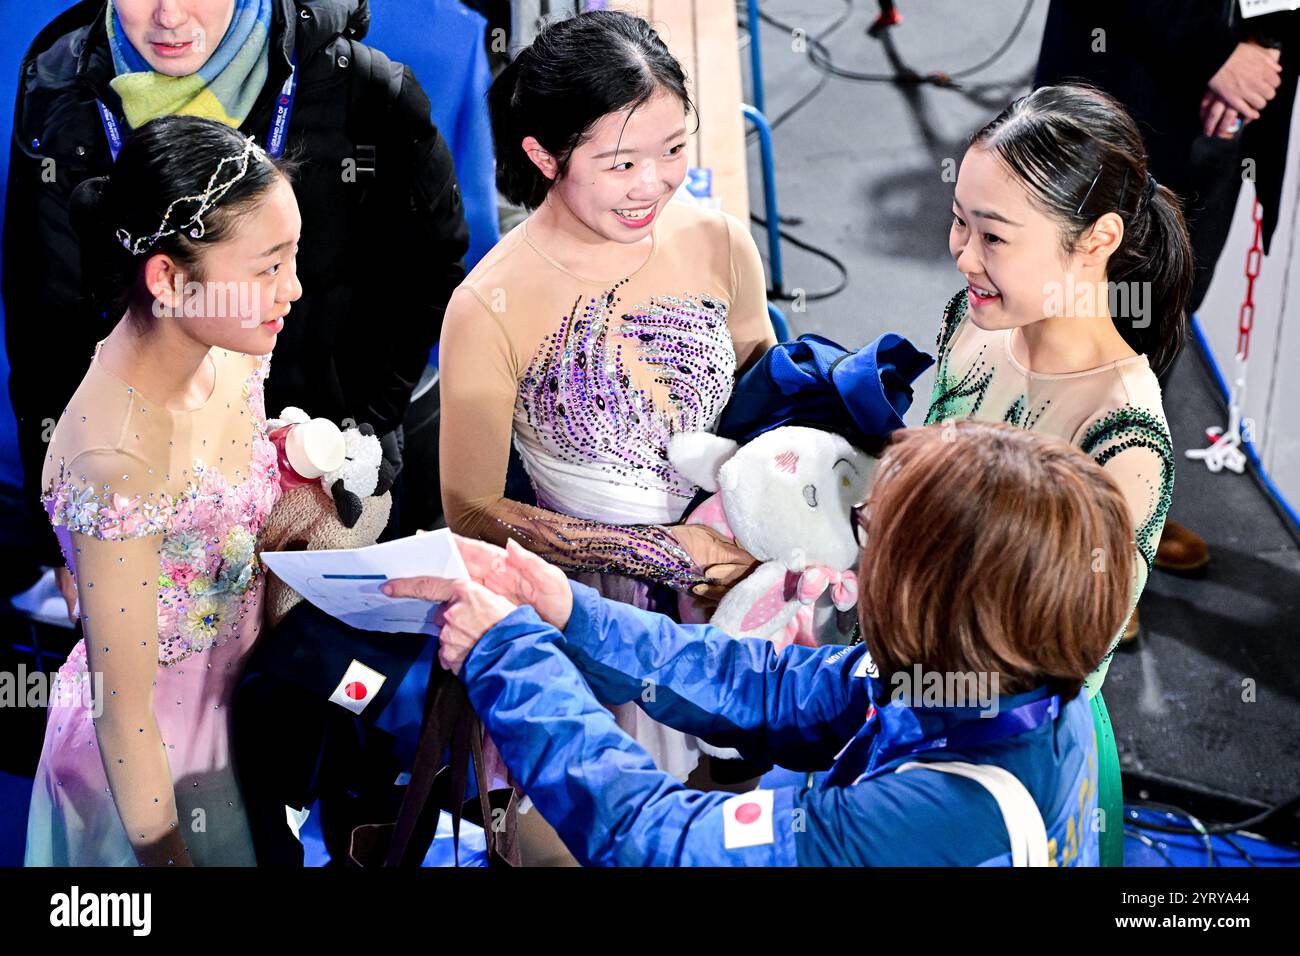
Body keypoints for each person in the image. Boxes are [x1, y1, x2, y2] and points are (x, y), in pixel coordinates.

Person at [383, 421, 1134, 866]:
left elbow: (656, 843)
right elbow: (767, 686)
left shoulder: (928, 816)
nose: (859, 555)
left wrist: (508, 656)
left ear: (927, 597)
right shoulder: (987, 679)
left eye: (873, 536)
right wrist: (568, 612)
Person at [437, 10, 776, 858]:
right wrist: (666, 554)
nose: (655, 184)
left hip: (731, 595)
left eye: (673, 149)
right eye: (620, 163)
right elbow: (471, 511)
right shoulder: (489, 304)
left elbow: (767, 402)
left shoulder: (718, 240)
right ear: (545, 158)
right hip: (577, 608)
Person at [4, 0, 469, 609]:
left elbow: (428, 270)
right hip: (147, 495)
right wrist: (67, 533)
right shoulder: (56, 85)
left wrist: (366, 422)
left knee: (304, 692)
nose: (169, 17)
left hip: (313, 483)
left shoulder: (365, 89)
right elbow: (45, 319)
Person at [24, 115, 300, 866]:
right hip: (144, 765)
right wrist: (165, 852)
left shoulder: (235, 358)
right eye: (268, 268)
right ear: (170, 280)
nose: (294, 290)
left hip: (236, 716)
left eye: (293, 258)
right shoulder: (113, 463)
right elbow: (124, 713)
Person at [924, 83, 1189, 673]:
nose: (964, 256)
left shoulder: (1123, 434)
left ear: (1098, 239)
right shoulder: (972, 325)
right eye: (958, 221)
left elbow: (1070, 661)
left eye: (993, 236)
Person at [1035, 0, 1300, 576]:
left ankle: (1117, 516)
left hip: (1218, 117)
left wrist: (1262, 51)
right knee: (1085, 322)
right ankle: (1062, 549)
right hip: (1122, 88)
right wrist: (1217, 54)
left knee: (1161, 321)